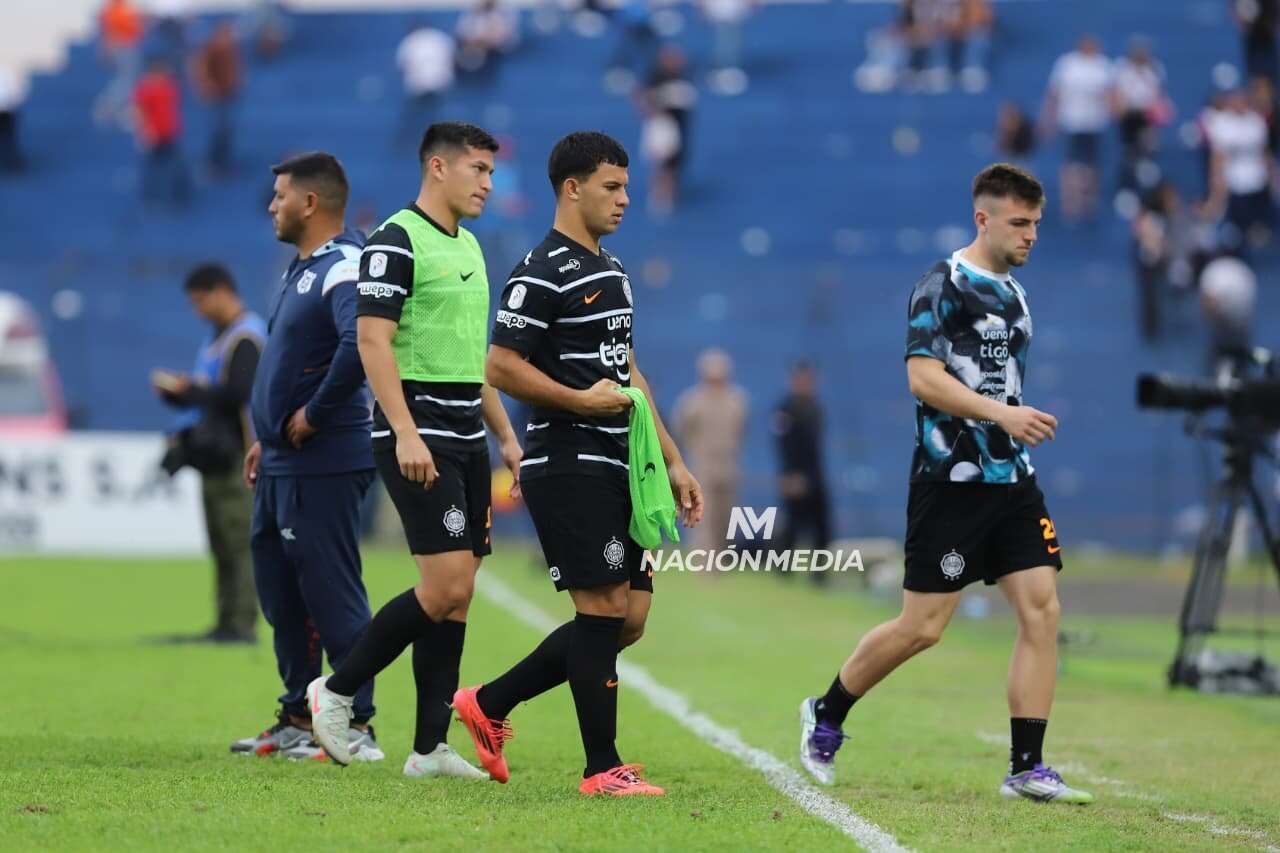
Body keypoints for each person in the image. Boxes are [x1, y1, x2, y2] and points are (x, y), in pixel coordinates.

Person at [797, 164, 1093, 805]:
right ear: (982, 218)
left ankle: (1027, 767)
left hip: (1012, 479)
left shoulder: (1015, 294)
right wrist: (1004, 414)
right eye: (1019, 223)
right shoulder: (942, 283)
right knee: (923, 627)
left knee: (1043, 609)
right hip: (950, 479)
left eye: (1036, 224)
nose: (1030, 235)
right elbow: (923, 379)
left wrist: (1011, 422)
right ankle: (827, 710)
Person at [451, 131, 702, 796]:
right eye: (611, 186)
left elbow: (629, 373)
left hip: (625, 463)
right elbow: (499, 365)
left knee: (631, 617)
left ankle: (490, 702)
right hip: (567, 460)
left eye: (625, 185)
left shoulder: (614, 271)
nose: (625, 198)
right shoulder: (540, 271)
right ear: (572, 188)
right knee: (603, 607)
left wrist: (674, 461)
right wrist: (577, 401)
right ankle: (601, 767)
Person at [305, 122, 521, 780]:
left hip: (466, 435)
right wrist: (403, 429)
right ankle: (337, 691)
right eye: (478, 169)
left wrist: (507, 436)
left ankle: (429, 747)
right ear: (438, 167)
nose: (488, 182)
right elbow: (372, 342)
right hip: (419, 431)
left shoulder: (474, 247)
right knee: (445, 582)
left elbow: (472, 357)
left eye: (490, 171)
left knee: (460, 593)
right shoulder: (394, 241)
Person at [229, 152, 381, 762]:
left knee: (330, 591)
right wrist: (265, 435)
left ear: (310, 203)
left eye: (280, 195)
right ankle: (298, 713)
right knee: (282, 595)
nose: (272, 205)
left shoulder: (345, 264)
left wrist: (314, 414)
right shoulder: (304, 268)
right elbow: (295, 359)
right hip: (282, 460)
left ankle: (357, 724)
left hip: (324, 456)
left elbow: (360, 342)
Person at [154, 264, 265, 644]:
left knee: (238, 542)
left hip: (240, 455)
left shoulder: (245, 338)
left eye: (200, 301)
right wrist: (183, 397)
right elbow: (212, 399)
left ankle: (242, 623)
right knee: (221, 542)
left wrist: (188, 391)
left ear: (221, 291)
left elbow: (238, 393)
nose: (198, 310)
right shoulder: (219, 339)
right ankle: (225, 621)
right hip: (215, 456)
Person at [674, 348, 747, 554]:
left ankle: (723, 558)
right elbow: (681, 429)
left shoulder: (737, 401)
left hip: (729, 465)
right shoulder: (692, 402)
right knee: (704, 514)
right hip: (702, 466)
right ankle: (706, 563)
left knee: (726, 515)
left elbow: (741, 430)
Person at [1040, 35, 1113, 222]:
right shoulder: (1067, 64)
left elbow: (1110, 95)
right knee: (1070, 164)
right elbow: (1054, 95)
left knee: (1092, 165)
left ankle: (1090, 202)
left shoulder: (1102, 65)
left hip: (1095, 123)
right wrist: (1048, 120)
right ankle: (1070, 202)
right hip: (1071, 122)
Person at [772, 360, 831, 583]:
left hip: (815, 474)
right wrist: (789, 475)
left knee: (822, 526)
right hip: (794, 475)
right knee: (793, 525)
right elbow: (783, 445)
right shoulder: (785, 410)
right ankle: (783, 569)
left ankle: (819, 574)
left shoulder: (816, 408)